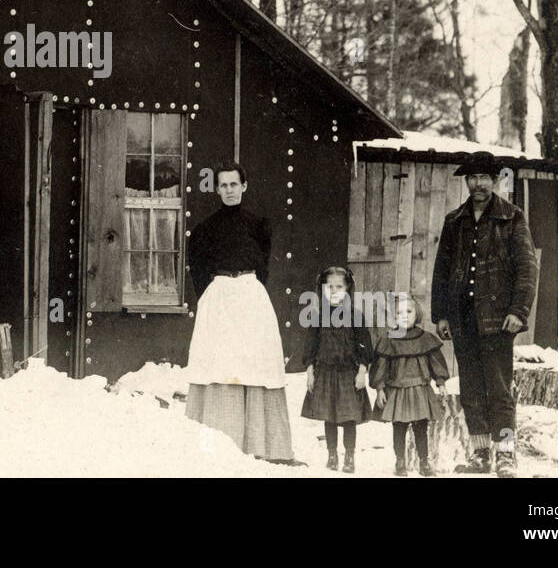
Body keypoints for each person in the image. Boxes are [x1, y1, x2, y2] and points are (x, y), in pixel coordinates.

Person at [431, 152, 537, 478]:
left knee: (500, 389)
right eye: (472, 178)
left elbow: (526, 267)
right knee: (472, 389)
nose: (478, 184)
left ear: (495, 180)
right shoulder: (454, 220)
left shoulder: (512, 216)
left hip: (497, 319)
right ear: (467, 181)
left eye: (484, 178)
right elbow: (442, 271)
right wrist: (441, 315)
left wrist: (518, 310)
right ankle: (480, 454)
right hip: (462, 320)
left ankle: (506, 454)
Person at [185, 162, 298, 465]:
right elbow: (198, 269)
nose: (229, 190)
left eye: (234, 185)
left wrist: (247, 291)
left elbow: (263, 267)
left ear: (244, 187)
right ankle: (214, 446)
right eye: (223, 185)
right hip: (219, 297)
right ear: (217, 189)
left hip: (251, 296)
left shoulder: (259, 224)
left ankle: (264, 446)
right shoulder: (205, 228)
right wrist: (214, 294)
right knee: (219, 364)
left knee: (256, 363)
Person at [300, 265, 373, 473]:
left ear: (348, 288)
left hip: (348, 375)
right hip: (325, 373)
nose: (333, 291)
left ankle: (349, 456)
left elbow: (364, 346)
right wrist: (310, 371)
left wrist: (362, 371)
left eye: (339, 286)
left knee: (349, 418)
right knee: (329, 417)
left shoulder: (355, 316)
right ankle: (332, 455)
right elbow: (311, 346)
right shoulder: (318, 316)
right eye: (329, 287)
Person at [372, 293, 448, 477]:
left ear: (417, 313)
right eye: (399, 312)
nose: (404, 315)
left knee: (421, 427)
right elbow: (380, 367)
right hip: (397, 391)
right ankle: (400, 462)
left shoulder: (426, 339)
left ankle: (424, 462)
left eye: (409, 311)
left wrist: (441, 383)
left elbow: (436, 363)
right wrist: (380, 388)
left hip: (420, 390)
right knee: (399, 427)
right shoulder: (388, 340)